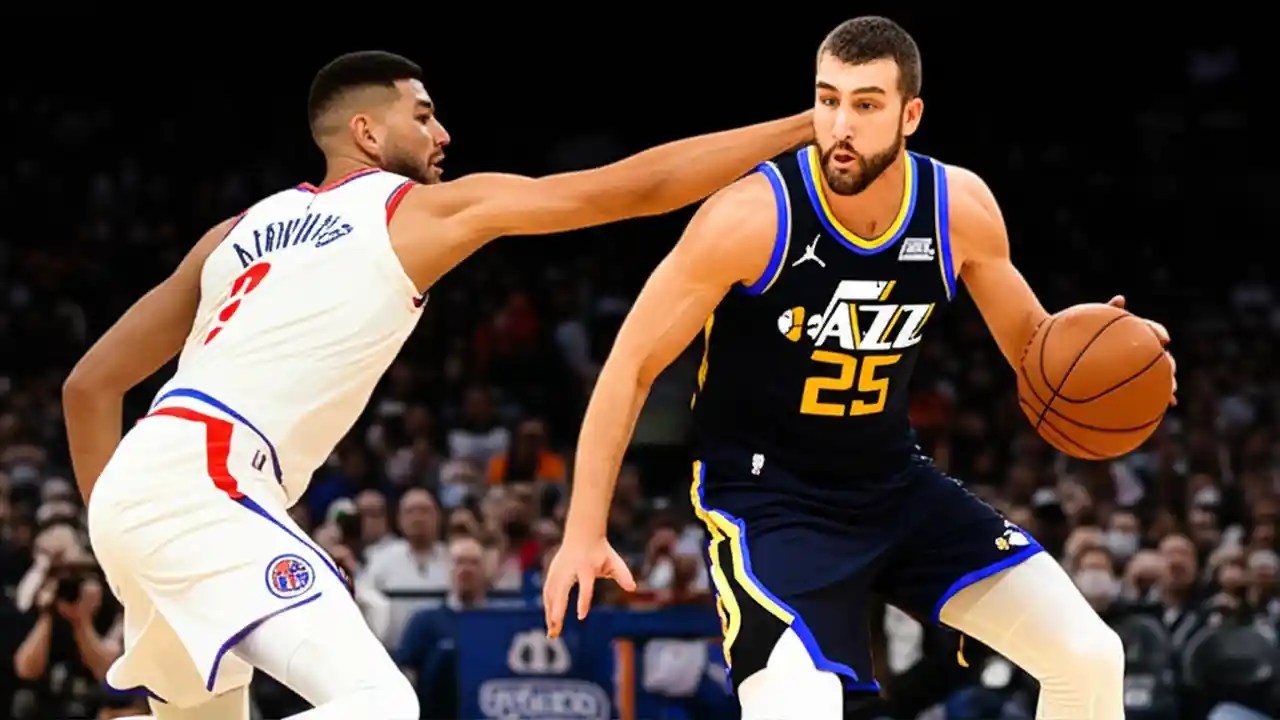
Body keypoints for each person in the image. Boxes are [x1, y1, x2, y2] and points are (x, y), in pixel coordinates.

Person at [63, 50, 813, 720]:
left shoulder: (230, 233)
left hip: (141, 485)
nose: (442, 133)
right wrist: (805, 125)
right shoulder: (407, 212)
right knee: (381, 704)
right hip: (211, 481)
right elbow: (629, 188)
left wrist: (119, 528)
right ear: (365, 132)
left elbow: (89, 387)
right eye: (422, 116)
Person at [544, 17, 1178, 720]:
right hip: (769, 505)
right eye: (828, 98)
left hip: (893, 484)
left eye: (866, 104)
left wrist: (1120, 344)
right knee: (798, 707)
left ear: (910, 114)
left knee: (1090, 657)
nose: (840, 123)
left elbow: (1038, 352)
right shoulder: (750, 216)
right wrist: (583, 530)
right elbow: (630, 366)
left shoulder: (958, 208)